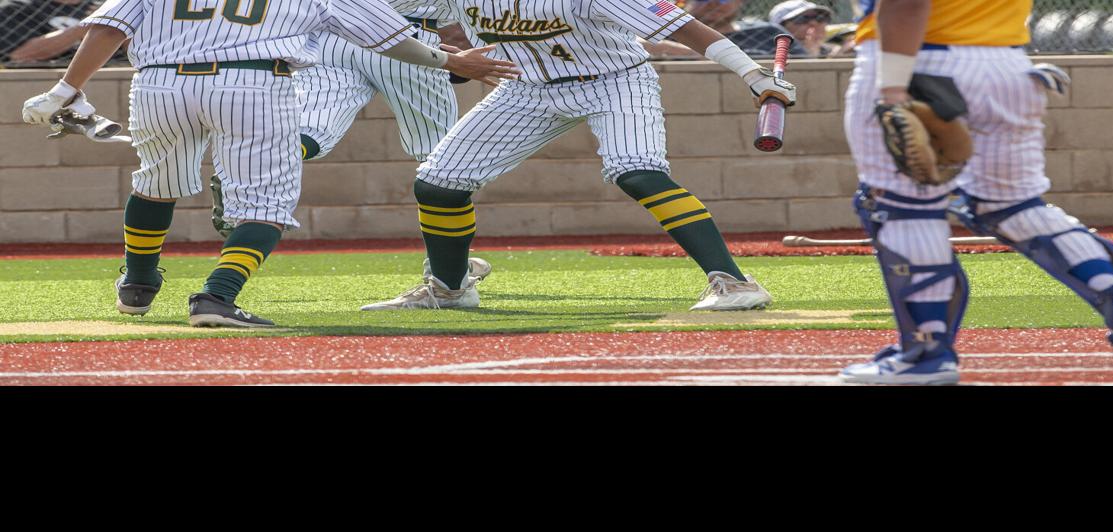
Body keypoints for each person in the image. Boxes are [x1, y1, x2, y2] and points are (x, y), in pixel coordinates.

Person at [18, 0, 519, 328]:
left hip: (158, 85)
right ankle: (217, 297)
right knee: (267, 205)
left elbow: (109, 26)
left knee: (156, 184)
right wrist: (453, 61)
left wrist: (67, 88)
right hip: (255, 84)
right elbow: (387, 38)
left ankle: (138, 284)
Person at [360, 0, 796, 313]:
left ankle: (733, 282)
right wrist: (447, 57)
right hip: (524, 88)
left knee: (638, 173)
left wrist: (755, 77)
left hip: (614, 81)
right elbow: (376, 14)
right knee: (438, 182)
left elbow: (687, 29)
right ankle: (450, 287)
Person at [838, 0, 1113, 385]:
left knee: (902, 209)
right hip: (1007, 65)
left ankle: (925, 354)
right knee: (1014, 206)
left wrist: (891, 91)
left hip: (915, 60)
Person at [210, 0, 479, 238]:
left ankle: (246, 170)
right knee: (440, 154)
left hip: (333, 37)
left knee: (313, 127)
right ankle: (446, 267)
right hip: (407, 35)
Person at [643, 0, 805, 59]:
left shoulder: (768, 32)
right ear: (684, 2)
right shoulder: (674, 33)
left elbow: (805, 61)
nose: (713, 3)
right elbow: (633, 40)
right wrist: (686, 51)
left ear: (740, 2)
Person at [1, 0, 100, 66]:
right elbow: (19, 55)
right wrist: (87, 25)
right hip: (37, 82)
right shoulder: (16, 6)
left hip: (102, 77)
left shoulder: (102, 7)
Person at [769, 1, 833, 57]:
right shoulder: (769, 53)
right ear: (781, 26)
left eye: (819, 18)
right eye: (803, 18)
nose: (813, 23)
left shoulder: (831, 51)